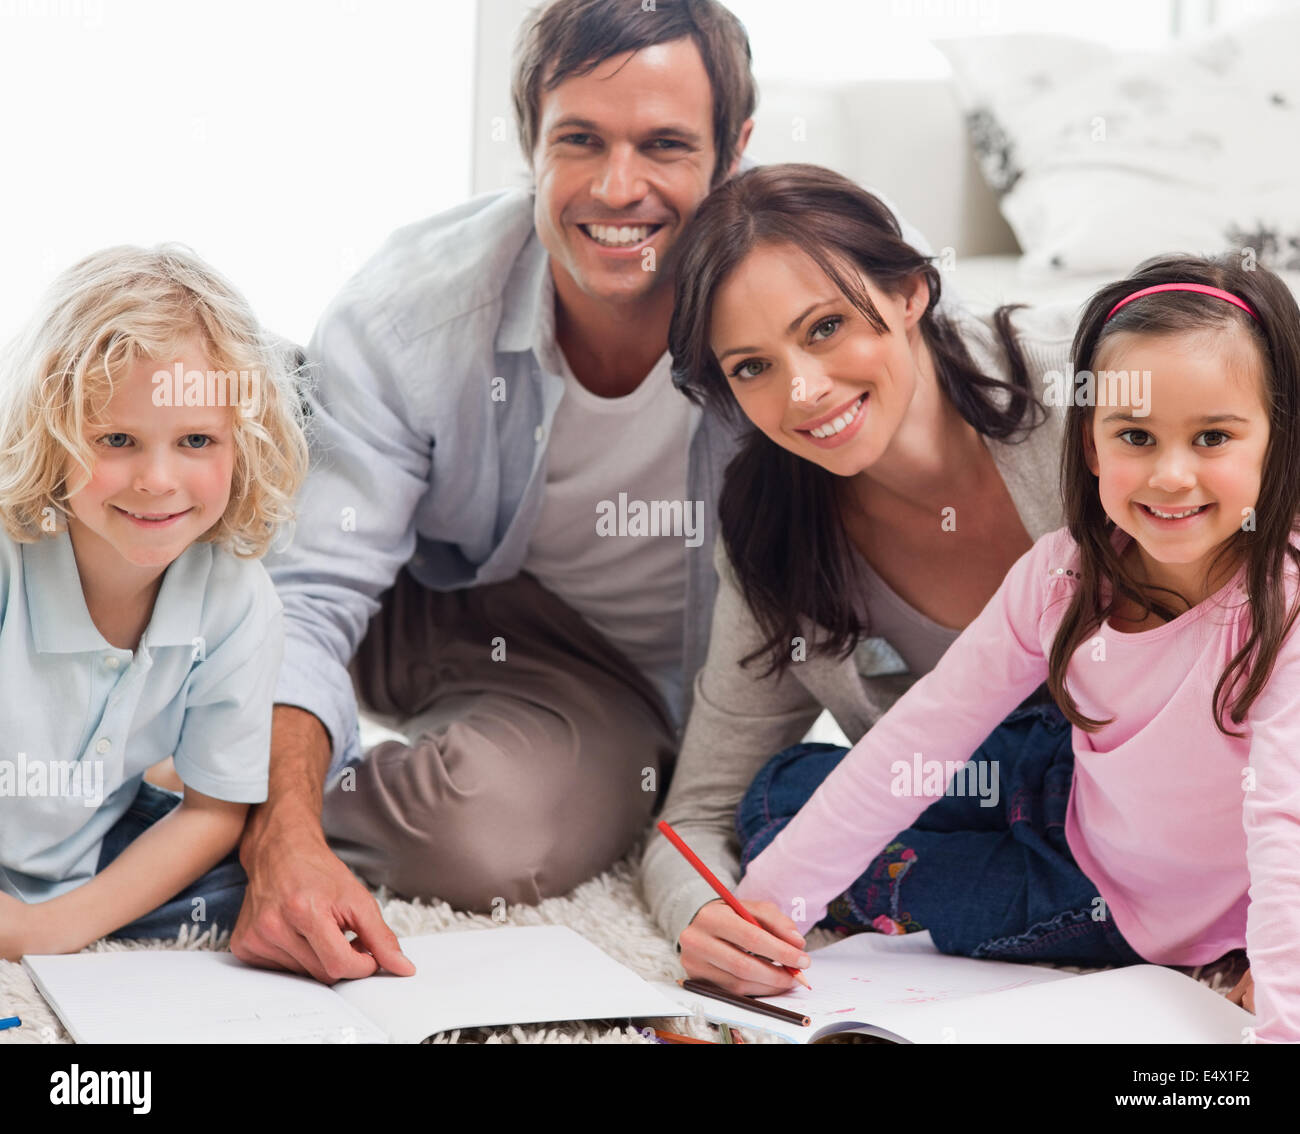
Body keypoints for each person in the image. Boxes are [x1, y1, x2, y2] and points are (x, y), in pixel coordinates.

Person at [232, 0, 937, 984]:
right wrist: (283, 845)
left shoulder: (805, 327)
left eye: (662, 144)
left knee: (495, 832)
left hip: (605, 673)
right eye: (580, 140)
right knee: (161, 470)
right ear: (528, 137)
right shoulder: (415, 312)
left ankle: (204, 797)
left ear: (732, 149)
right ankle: (189, 776)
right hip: (427, 585)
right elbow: (308, 599)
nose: (618, 187)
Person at [730, 253, 1300, 1043]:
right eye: (1136, 435)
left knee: (931, 883)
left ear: (1277, 444)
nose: (1171, 476)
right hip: (1064, 778)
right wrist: (764, 908)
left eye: (1213, 438)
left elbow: (1285, 823)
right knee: (777, 792)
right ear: (1094, 446)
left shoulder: (1283, 604)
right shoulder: (1062, 571)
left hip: (1111, 897)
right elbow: (922, 734)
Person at [644, 162, 1079, 988]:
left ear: (911, 292)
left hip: (1171, 781)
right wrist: (700, 917)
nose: (803, 392)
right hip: (1004, 800)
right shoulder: (772, 534)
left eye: (823, 328)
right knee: (784, 799)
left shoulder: (1089, 392)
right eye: (752, 367)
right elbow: (699, 811)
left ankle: (1135, 906)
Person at [0, 245, 309, 958]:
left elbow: (212, 812)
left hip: (94, 837)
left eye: (197, 439)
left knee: (256, 890)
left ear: (245, 447)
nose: (158, 479)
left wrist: (53, 928)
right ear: (51, 435)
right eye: (117, 439)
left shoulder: (239, 599)